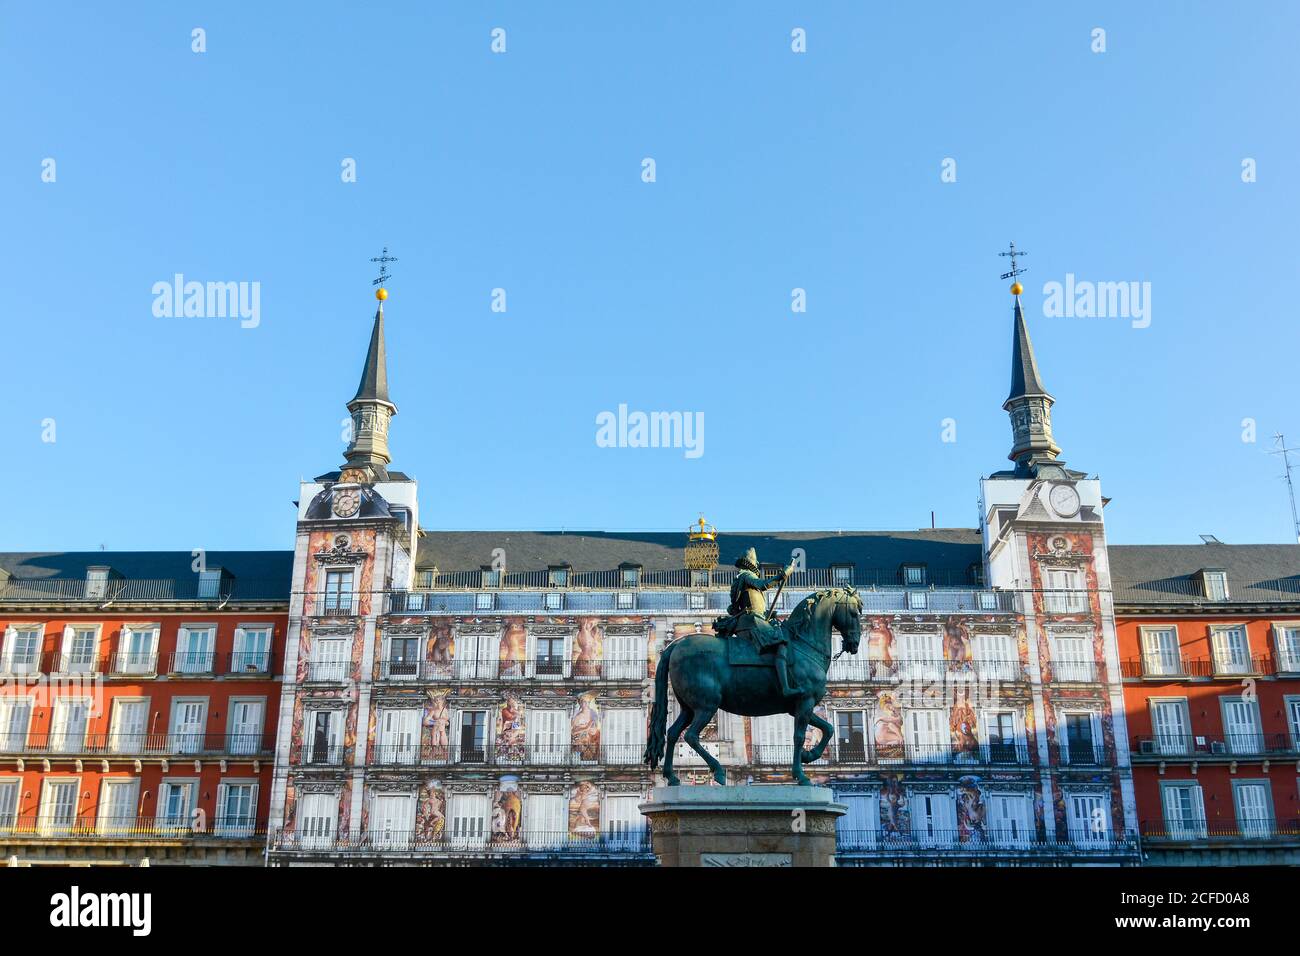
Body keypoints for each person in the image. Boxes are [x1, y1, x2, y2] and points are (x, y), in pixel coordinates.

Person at [726, 547, 800, 696]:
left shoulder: (742, 578)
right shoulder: (746, 576)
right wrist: (783, 574)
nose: (758, 562)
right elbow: (763, 585)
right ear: (750, 563)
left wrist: (767, 614)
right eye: (756, 561)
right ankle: (785, 688)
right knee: (780, 644)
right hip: (751, 622)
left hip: (754, 620)